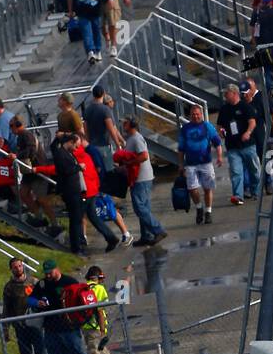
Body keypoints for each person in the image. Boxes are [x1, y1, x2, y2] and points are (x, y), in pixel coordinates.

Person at [26, 259, 87, 354]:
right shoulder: (42, 285)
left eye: (50, 272)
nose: (48, 275)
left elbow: (81, 299)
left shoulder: (69, 281)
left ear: (57, 269)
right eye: (46, 273)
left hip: (70, 327)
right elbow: (29, 299)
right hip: (51, 329)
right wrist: (37, 302)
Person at [2, 257, 57, 354]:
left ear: (23, 267)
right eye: (15, 267)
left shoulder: (34, 282)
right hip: (20, 328)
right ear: (11, 269)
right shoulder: (9, 287)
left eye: (20, 266)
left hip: (36, 326)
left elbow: (45, 300)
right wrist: (6, 330)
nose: (18, 269)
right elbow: (7, 310)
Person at [8, 115, 62, 234]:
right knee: (23, 193)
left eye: (11, 126)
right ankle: (39, 216)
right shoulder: (20, 137)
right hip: (29, 172)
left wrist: (17, 156)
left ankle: (55, 223)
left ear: (17, 126)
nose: (10, 129)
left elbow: (31, 150)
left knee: (42, 199)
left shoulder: (26, 135)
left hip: (37, 171)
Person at [118, 115, 166, 246]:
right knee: (144, 207)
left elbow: (144, 156)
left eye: (125, 123)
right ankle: (146, 235)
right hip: (141, 177)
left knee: (139, 208)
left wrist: (130, 163)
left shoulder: (136, 139)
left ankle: (158, 230)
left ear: (131, 124)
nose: (123, 125)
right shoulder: (132, 138)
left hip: (141, 178)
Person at [80, 264, 126, 354]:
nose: (102, 281)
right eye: (101, 278)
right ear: (97, 278)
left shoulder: (83, 288)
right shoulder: (99, 289)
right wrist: (103, 330)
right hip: (96, 330)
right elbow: (100, 310)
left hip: (87, 328)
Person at [177, 103, 223, 224]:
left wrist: (219, 156)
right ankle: (199, 208)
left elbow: (217, 143)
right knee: (192, 188)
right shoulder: (185, 129)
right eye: (193, 114)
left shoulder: (207, 126)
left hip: (205, 163)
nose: (195, 116)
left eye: (197, 114)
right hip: (190, 164)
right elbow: (181, 148)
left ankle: (208, 212)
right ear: (189, 115)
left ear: (201, 114)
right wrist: (181, 164)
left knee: (208, 188)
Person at [73, 134, 119, 251]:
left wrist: (39, 169)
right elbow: (95, 171)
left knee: (78, 218)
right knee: (93, 217)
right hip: (92, 190)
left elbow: (59, 168)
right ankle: (110, 237)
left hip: (85, 192)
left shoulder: (75, 156)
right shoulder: (87, 155)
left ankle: (80, 243)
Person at [44, 131, 87, 253]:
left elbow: (53, 146)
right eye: (75, 146)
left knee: (77, 218)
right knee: (75, 219)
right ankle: (76, 247)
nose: (76, 149)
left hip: (74, 190)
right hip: (70, 191)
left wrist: (59, 138)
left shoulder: (65, 153)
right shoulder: (61, 154)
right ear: (70, 142)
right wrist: (79, 167)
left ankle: (79, 244)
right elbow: (66, 170)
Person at [217, 84, 259, 205]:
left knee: (254, 170)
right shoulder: (224, 109)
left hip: (248, 145)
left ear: (234, 93)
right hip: (232, 146)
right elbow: (219, 125)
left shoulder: (245, 106)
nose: (225, 96)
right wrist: (220, 131)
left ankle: (256, 191)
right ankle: (238, 196)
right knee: (236, 171)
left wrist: (248, 132)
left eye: (227, 94)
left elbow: (252, 122)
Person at [239, 76, 273, 193]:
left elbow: (272, 113)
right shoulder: (241, 104)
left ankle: (269, 182)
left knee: (268, 157)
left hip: (261, 135)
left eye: (246, 92)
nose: (244, 95)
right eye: (242, 93)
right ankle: (249, 187)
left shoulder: (260, 99)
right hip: (248, 139)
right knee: (249, 162)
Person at [84, 84, 122, 171]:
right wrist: (117, 144)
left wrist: (88, 145)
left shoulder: (87, 109)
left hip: (93, 145)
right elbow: (111, 128)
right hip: (104, 146)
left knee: (97, 171)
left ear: (93, 95)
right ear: (103, 94)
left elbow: (85, 129)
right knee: (108, 171)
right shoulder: (105, 109)